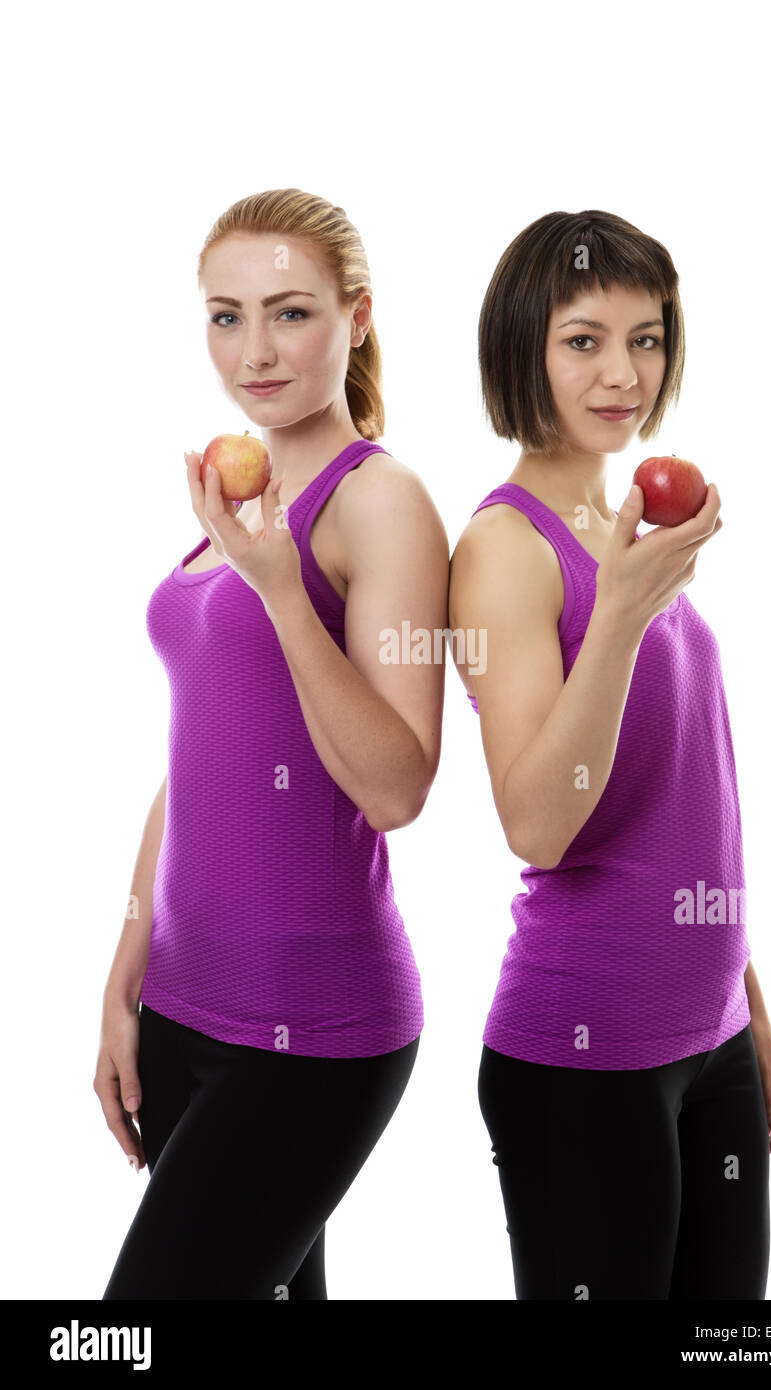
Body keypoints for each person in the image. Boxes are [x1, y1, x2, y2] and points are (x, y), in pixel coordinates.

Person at [95, 187, 448, 1300]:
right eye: (224, 315)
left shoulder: (379, 503)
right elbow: (200, 755)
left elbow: (398, 784)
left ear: (356, 315)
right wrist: (126, 970)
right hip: (184, 1008)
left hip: (312, 1028)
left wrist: (285, 595)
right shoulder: (236, 490)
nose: (253, 350)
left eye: (289, 313)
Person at [448, 209, 771, 1301]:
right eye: (583, 339)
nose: (623, 372)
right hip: (581, 1050)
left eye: (645, 338)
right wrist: (617, 614)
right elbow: (537, 823)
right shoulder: (505, 549)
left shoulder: (621, 526)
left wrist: (750, 1014)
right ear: (523, 347)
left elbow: (684, 798)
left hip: (712, 1043)